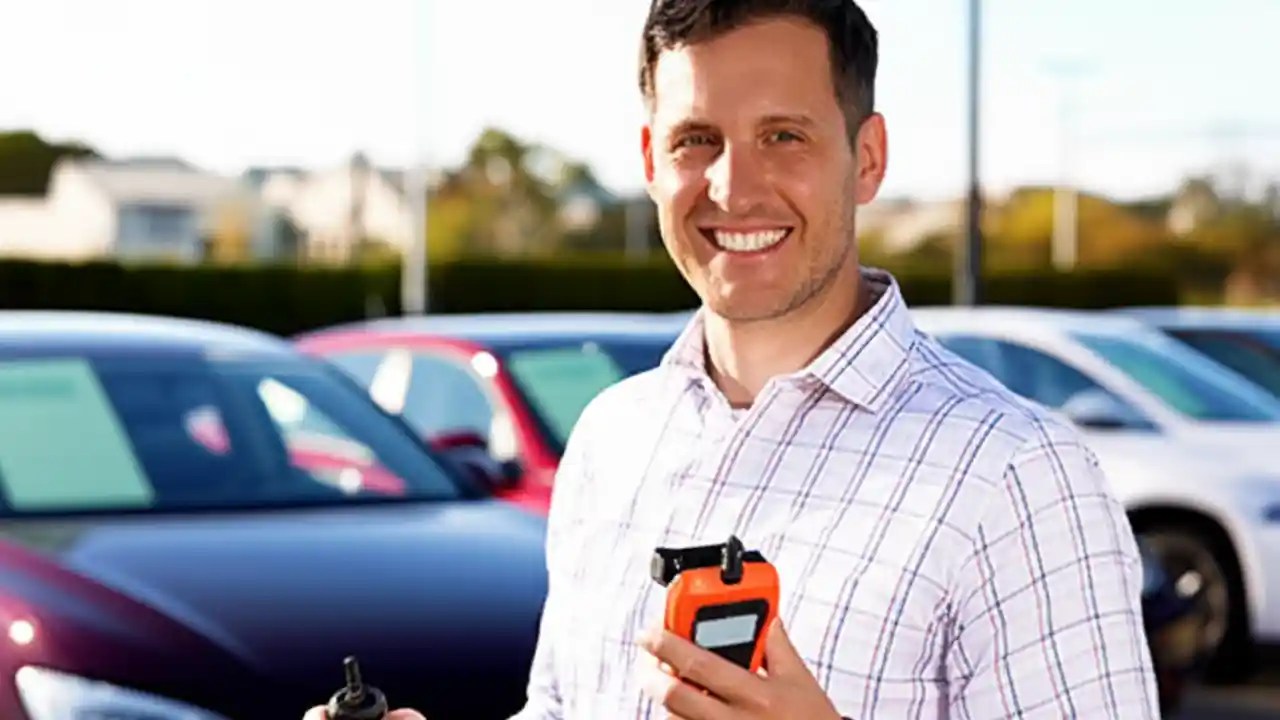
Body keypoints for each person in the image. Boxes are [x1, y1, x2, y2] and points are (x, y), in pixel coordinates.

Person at [306, 0, 1160, 718]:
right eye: (696, 139)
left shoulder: (1018, 473)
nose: (732, 187)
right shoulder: (612, 437)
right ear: (650, 160)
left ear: (867, 159)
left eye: (784, 135)